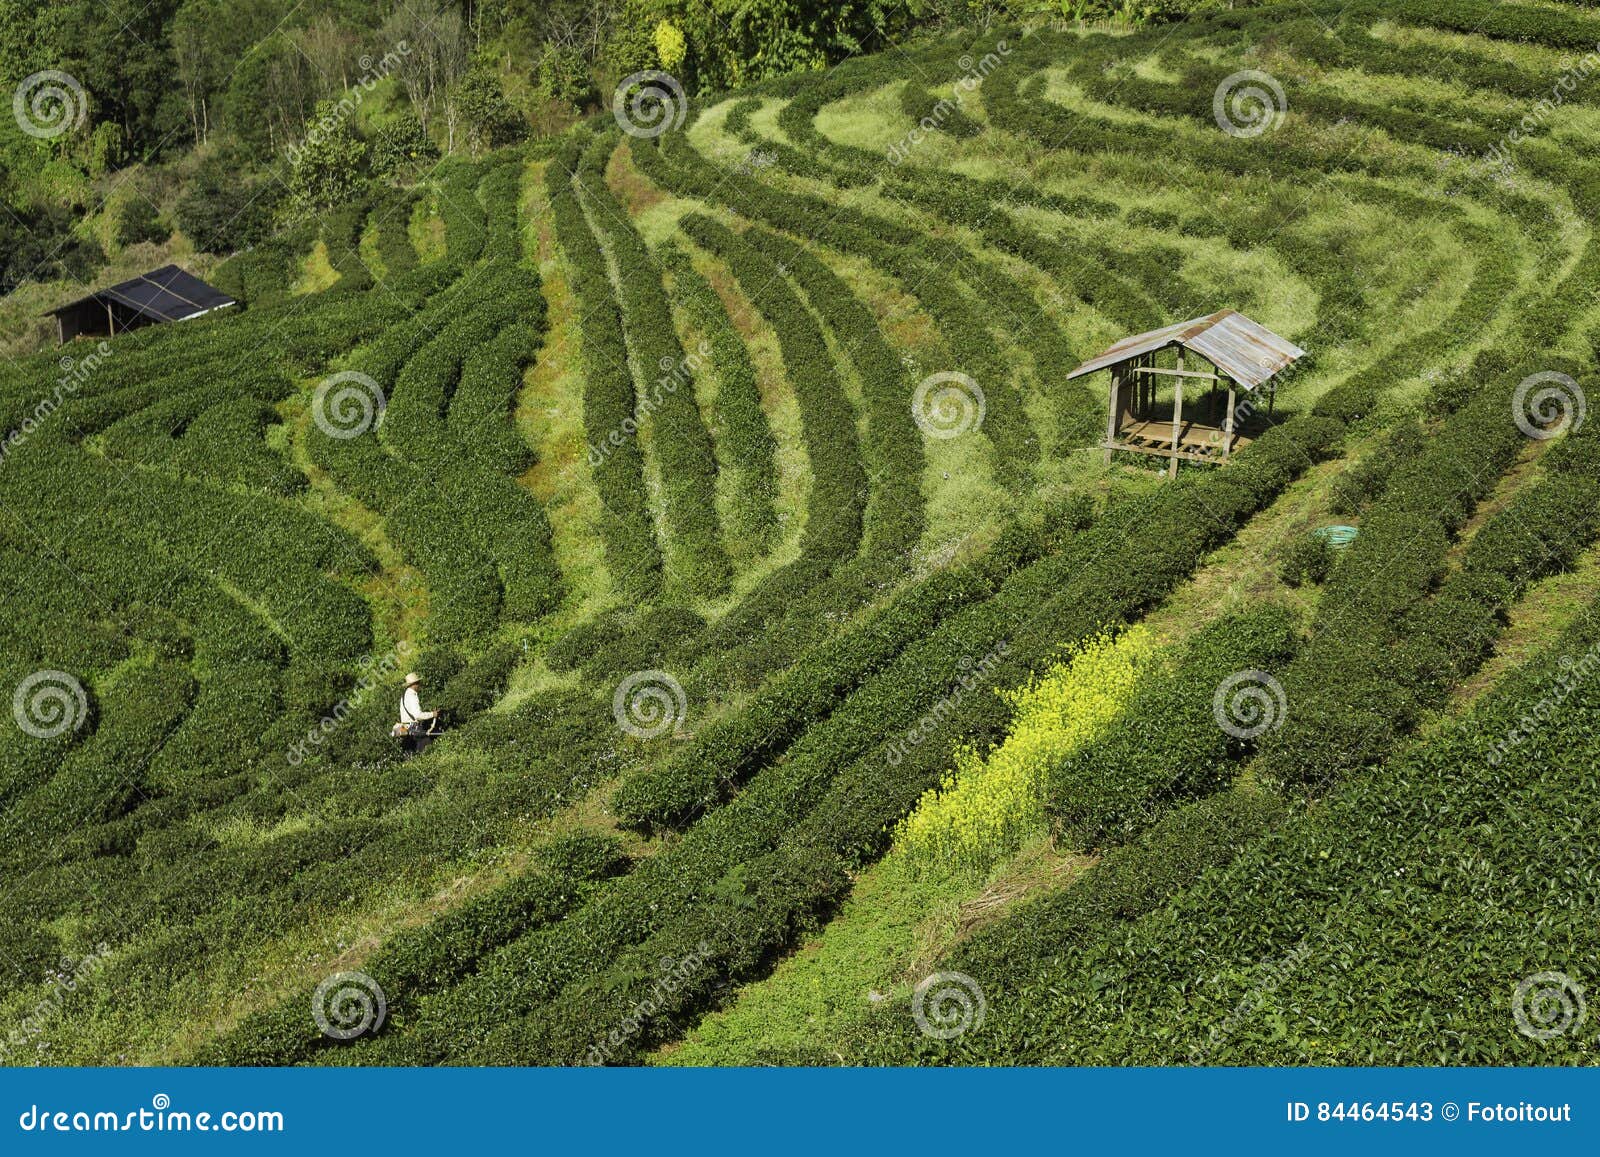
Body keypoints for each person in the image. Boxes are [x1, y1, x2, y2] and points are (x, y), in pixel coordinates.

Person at [397, 672, 441, 756]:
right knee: (428, 752)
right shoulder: (412, 695)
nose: (419, 685)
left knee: (411, 756)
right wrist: (433, 714)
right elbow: (418, 715)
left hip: (406, 729)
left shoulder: (404, 695)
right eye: (418, 683)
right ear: (414, 684)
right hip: (414, 729)